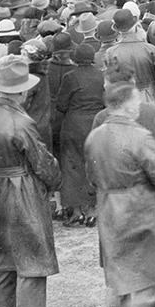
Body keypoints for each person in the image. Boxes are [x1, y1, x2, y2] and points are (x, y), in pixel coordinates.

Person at [84, 72, 155, 307]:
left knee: (117, 272)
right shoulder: (139, 135)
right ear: (126, 103)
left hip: (109, 207)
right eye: (135, 101)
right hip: (140, 207)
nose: (138, 105)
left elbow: (91, 175)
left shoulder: (95, 135)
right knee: (147, 277)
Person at [0, 55, 61, 307]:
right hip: (23, 197)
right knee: (32, 269)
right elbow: (44, 165)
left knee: (0, 267)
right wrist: (55, 181)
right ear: (21, 90)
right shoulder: (22, 122)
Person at [53, 43, 105, 226]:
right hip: (96, 124)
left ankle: (77, 212)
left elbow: (61, 105)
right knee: (94, 165)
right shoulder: (102, 76)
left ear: (75, 58)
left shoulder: (70, 77)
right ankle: (93, 211)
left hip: (74, 125)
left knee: (72, 166)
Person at [103, 8, 155, 103]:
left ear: (117, 29)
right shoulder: (150, 49)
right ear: (135, 24)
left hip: (125, 101)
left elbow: (108, 83)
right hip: (150, 98)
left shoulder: (110, 53)